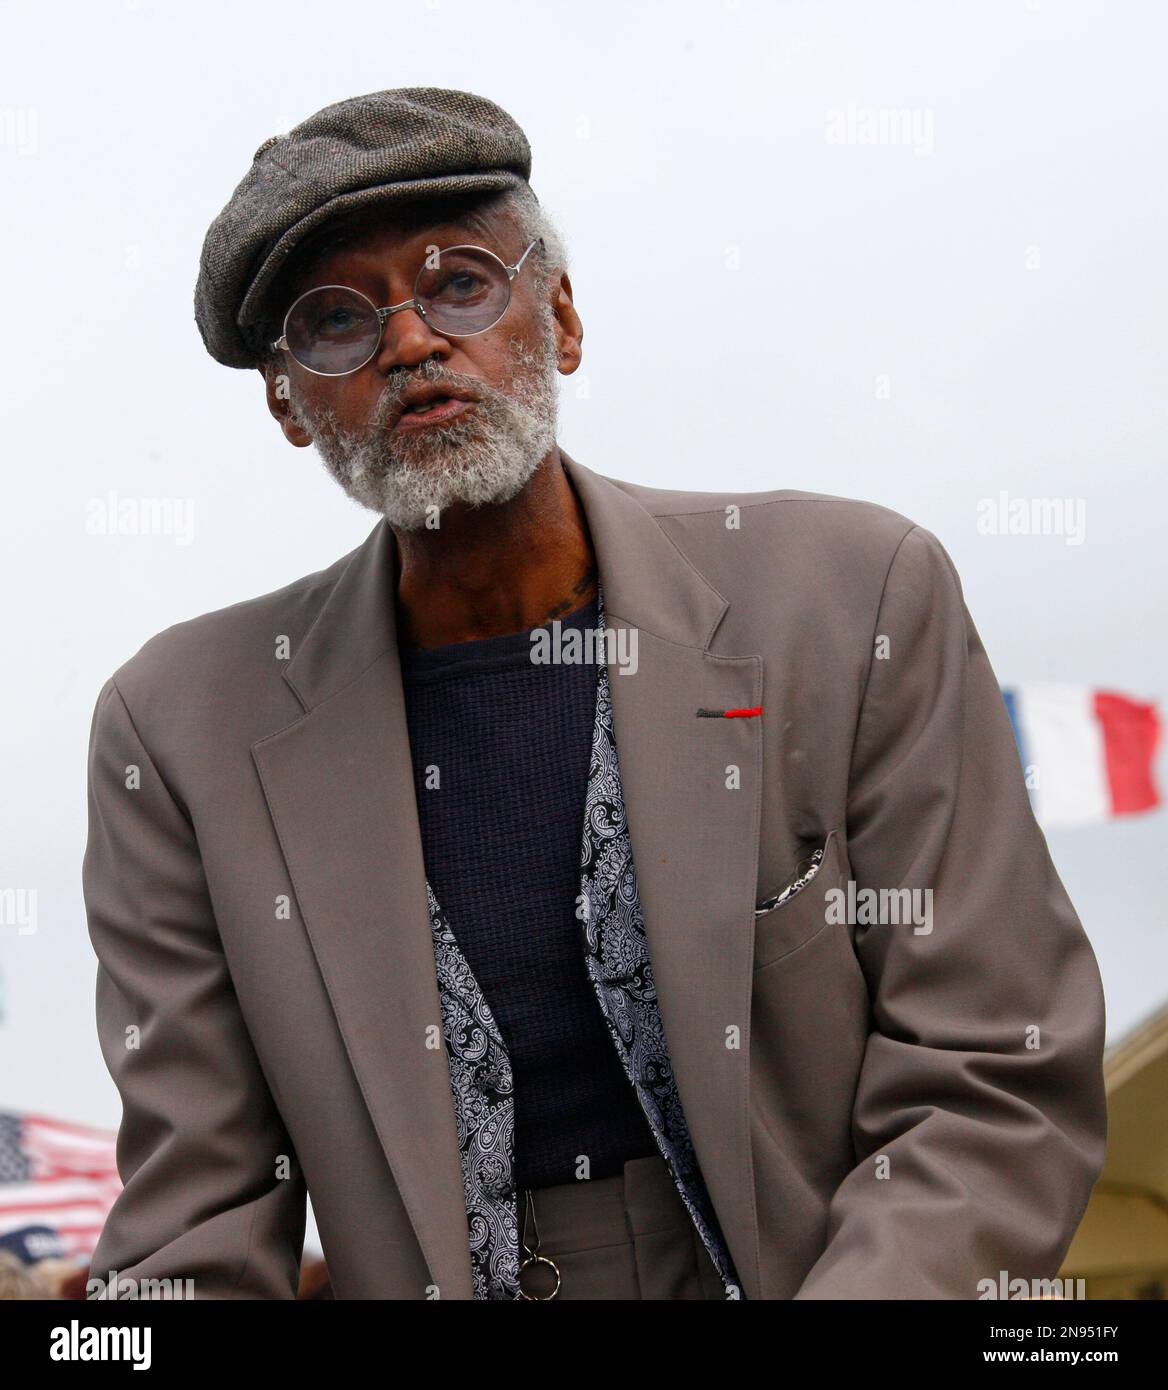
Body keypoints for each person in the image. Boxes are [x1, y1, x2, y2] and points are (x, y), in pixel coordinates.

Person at [83, 87, 1107, 1300]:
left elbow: (989, 1076)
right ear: (286, 402)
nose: (411, 344)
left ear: (559, 315)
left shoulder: (852, 602)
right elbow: (192, 1226)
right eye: (335, 323)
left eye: (460, 283)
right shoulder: (180, 729)